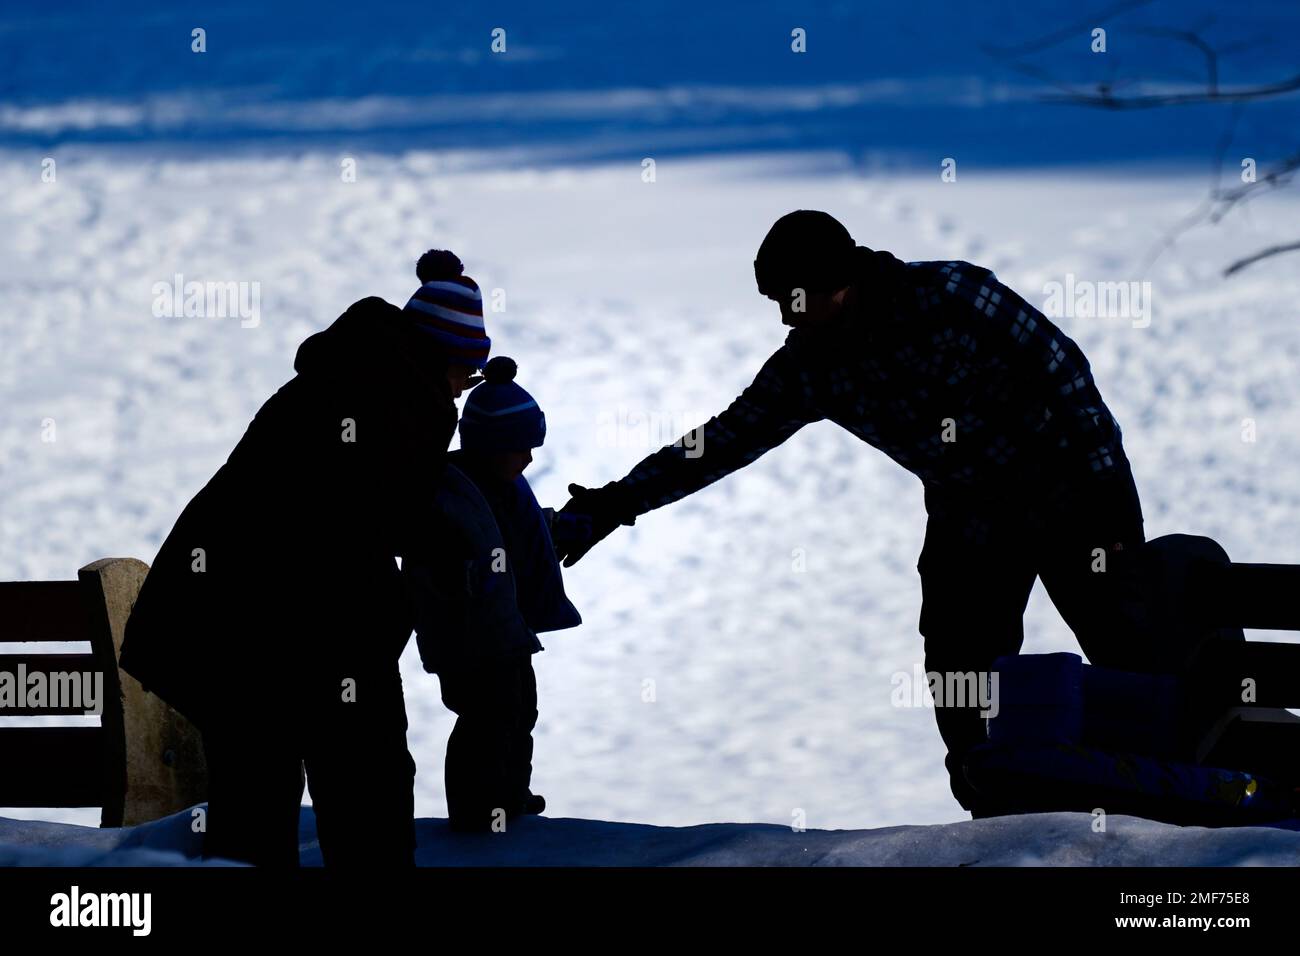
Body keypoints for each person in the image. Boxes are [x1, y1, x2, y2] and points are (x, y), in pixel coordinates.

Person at [554, 210, 1151, 815]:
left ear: (841, 282)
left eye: (795, 298)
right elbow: (722, 442)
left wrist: (1114, 513)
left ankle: (1167, 792)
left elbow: (1067, 377)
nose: (786, 316)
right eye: (775, 302)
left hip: (1069, 497)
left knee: (1123, 639)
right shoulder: (811, 368)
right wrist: (615, 502)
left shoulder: (954, 297)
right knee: (957, 661)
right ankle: (993, 807)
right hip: (969, 517)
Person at [119, 249, 491, 865]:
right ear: (450, 360)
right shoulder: (404, 399)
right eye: (467, 375)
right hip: (272, 624)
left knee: (260, 798)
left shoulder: (352, 373)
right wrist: (475, 543)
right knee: (361, 788)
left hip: (219, 621)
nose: (464, 391)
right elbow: (380, 527)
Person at [404, 356, 582, 832]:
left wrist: (558, 526)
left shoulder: (506, 488)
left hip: (505, 631)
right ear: (487, 444)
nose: (528, 457)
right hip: (469, 636)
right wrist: (462, 578)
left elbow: (516, 540)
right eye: (519, 447)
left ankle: (509, 796)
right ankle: (478, 810)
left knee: (520, 710)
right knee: (485, 718)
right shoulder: (448, 491)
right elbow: (436, 555)